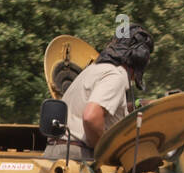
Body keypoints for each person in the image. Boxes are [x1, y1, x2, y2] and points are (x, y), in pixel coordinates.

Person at [45, 24, 154, 160]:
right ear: (141, 57)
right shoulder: (116, 76)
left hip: (59, 151)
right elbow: (91, 116)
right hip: (77, 155)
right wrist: (105, 153)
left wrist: (140, 104)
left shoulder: (95, 69)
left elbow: (107, 111)